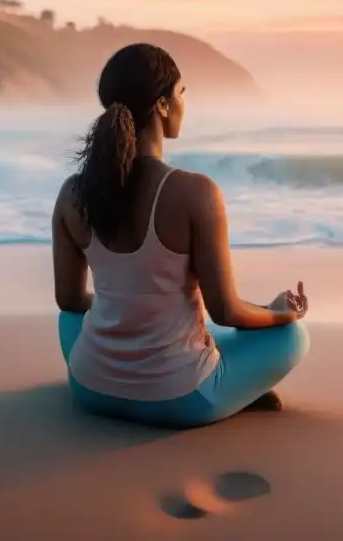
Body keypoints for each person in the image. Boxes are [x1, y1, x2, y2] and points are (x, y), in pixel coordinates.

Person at [53, 43, 309, 428]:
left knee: (70, 320)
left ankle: (226, 383)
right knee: (293, 337)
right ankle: (238, 388)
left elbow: (70, 300)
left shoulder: (73, 193)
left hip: (90, 389)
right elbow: (225, 311)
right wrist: (278, 313)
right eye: (181, 92)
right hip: (181, 400)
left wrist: (122, 311)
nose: (183, 103)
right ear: (162, 104)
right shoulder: (195, 192)